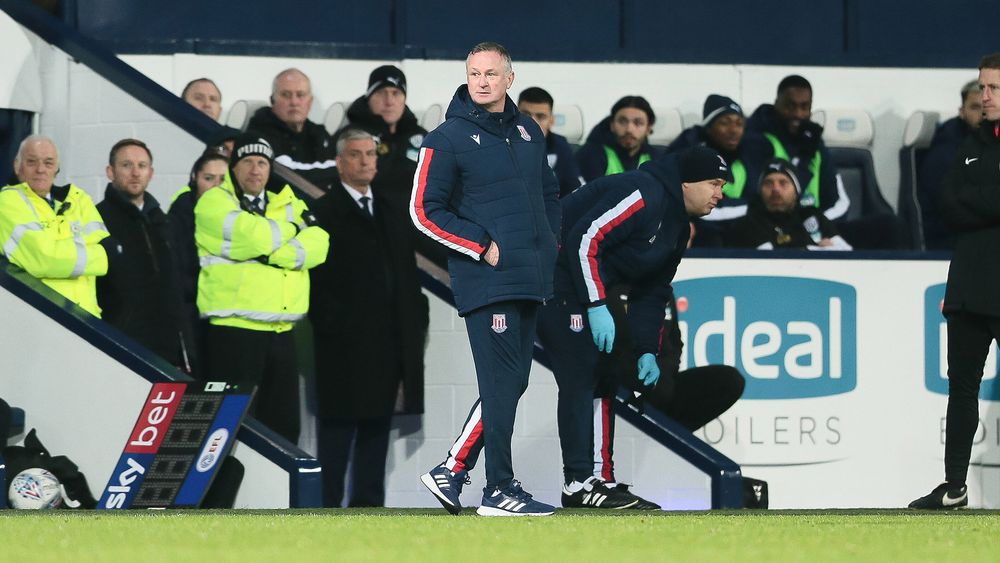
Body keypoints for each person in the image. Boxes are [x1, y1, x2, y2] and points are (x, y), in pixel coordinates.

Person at [426, 146, 729, 512]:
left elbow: (653, 290)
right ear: (685, 182)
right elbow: (584, 240)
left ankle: (592, 479)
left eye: (722, 184)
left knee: (599, 373)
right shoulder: (644, 192)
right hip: (547, 273)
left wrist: (647, 348)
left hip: (576, 284)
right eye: (713, 183)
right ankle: (575, 480)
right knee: (569, 373)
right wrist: (597, 305)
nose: (720, 193)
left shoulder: (678, 227)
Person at [412, 41, 561, 517]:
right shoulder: (446, 137)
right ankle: (498, 489)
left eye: (491, 74)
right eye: (474, 73)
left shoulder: (528, 131)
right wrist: (481, 245)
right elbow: (422, 210)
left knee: (510, 384)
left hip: (531, 277)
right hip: (488, 279)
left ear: (509, 79)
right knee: (501, 383)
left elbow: (550, 192)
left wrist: (551, 242)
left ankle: (452, 471)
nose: (481, 81)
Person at [309, 129, 429, 508]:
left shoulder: (393, 210)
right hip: (342, 347)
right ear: (340, 162)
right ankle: (327, 509)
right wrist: (334, 325)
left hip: (387, 343)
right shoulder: (324, 212)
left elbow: (407, 275)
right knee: (337, 433)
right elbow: (316, 282)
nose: (365, 161)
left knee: (377, 432)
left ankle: (368, 509)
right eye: (356, 155)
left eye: (370, 154)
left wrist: (416, 318)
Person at [195, 133, 329, 443]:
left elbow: (319, 244)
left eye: (262, 163)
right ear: (234, 167)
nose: (255, 170)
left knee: (283, 431)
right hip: (233, 331)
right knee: (226, 432)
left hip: (281, 333)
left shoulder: (287, 202)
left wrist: (272, 252)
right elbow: (254, 238)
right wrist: (291, 233)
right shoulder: (214, 201)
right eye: (247, 162)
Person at [910, 53, 1000, 510]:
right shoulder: (967, 143)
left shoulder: (972, 151)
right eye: (982, 88)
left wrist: (974, 201)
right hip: (967, 285)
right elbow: (947, 204)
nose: (983, 97)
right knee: (961, 389)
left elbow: (967, 201)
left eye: (992, 89)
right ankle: (954, 487)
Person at [592, 285, 745, 484]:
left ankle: (664, 441)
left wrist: (664, 379)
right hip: (620, 398)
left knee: (728, 381)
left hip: (661, 392)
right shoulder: (606, 284)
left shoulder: (661, 287)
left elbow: (675, 343)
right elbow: (608, 347)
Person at [332, 65, 446, 267]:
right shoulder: (352, 136)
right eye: (382, 92)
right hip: (373, 226)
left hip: (420, 223)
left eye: (396, 93)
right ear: (369, 97)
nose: (389, 100)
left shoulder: (419, 135)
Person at [96, 139, 194, 371]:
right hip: (121, 345)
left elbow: (178, 288)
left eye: (142, 166)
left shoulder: (165, 222)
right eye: (126, 165)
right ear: (110, 172)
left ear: (151, 173)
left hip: (169, 349)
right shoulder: (95, 219)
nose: (135, 172)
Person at [0, 135, 118, 317]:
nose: (40, 169)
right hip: (43, 318)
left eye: (48, 163)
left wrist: (60, 251)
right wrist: (100, 257)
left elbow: (105, 245)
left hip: (87, 320)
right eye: (31, 162)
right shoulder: (7, 201)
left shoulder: (78, 199)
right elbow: (44, 259)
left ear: (56, 169)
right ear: (17, 166)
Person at [668, 94, 770, 246]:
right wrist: (750, 208)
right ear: (708, 127)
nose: (733, 130)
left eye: (739, 124)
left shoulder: (749, 156)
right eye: (725, 123)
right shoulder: (691, 156)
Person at [746, 75, 850, 222]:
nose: (798, 114)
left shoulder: (814, 142)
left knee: (886, 224)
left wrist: (817, 226)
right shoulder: (757, 140)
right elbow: (760, 200)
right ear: (776, 104)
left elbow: (839, 202)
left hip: (816, 230)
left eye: (804, 107)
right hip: (771, 229)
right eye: (790, 106)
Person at [168, 151, 230, 374]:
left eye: (223, 179)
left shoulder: (244, 217)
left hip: (230, 319)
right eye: (208, 178)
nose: (216, 186)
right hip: (194, 321)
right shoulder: (178, 218)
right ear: (195, 178)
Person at [727, 158, 852, 250]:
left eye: (783, 183)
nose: (775, 189)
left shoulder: (811, 215)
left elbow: (846, 251)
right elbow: (771, 259)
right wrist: (818, 249)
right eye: (769, 183)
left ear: (796, 191)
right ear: (760, 190)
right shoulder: (750, 222)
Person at [246, 68, 338, 190]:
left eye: (300, 95)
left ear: (310, 102)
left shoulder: (319, 133)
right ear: (273, 100)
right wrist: (340, 169)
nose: (294, 102)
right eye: (286, 95)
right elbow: (289, 175)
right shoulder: (259, 134)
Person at [918, 79, 983, 250]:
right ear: (962, 112)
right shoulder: (946, 152)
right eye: (976, 107)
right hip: (951, 238)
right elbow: (955, 208)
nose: (983, 114)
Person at [575, 95, 662, 182]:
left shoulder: (658, 159)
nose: (629, 129)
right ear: (612, 125)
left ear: (648, 128)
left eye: (638, 123)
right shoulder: (590, 155)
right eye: (622, 122)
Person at [517, 86, 585, 197]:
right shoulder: (500, 143)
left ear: (551, 121)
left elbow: (575, 189)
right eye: (526, 115)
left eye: (541, 116)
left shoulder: (560, 146)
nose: (532, 122)